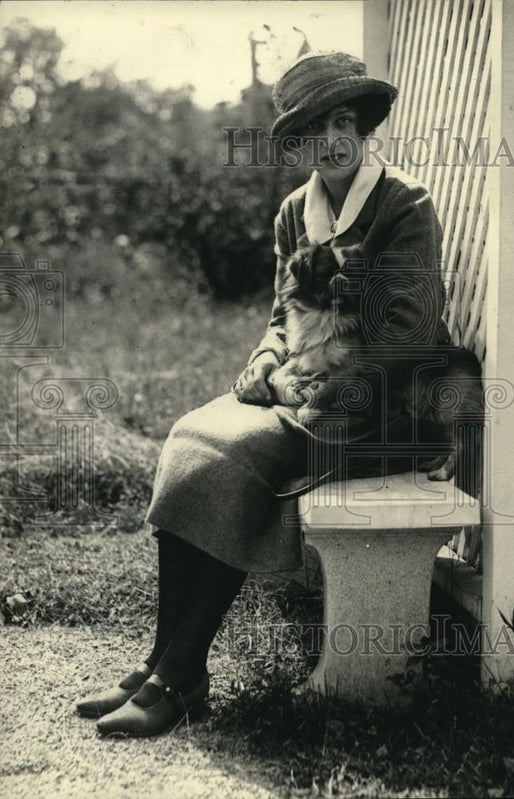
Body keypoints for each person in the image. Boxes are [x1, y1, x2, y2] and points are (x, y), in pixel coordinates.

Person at [75, 51, 448, 737]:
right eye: (311, 132)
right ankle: (158, 660)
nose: (330, 141)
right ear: (298, 145)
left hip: (390, 409)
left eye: (342, 121)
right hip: (306, 388)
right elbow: (282, 313)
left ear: (361, 124)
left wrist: (315, 383)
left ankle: (184, 673)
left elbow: (410, 334)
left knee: (239, 453)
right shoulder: (293, 213)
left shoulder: (403, 205)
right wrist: (267, 360)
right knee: (192, 434)